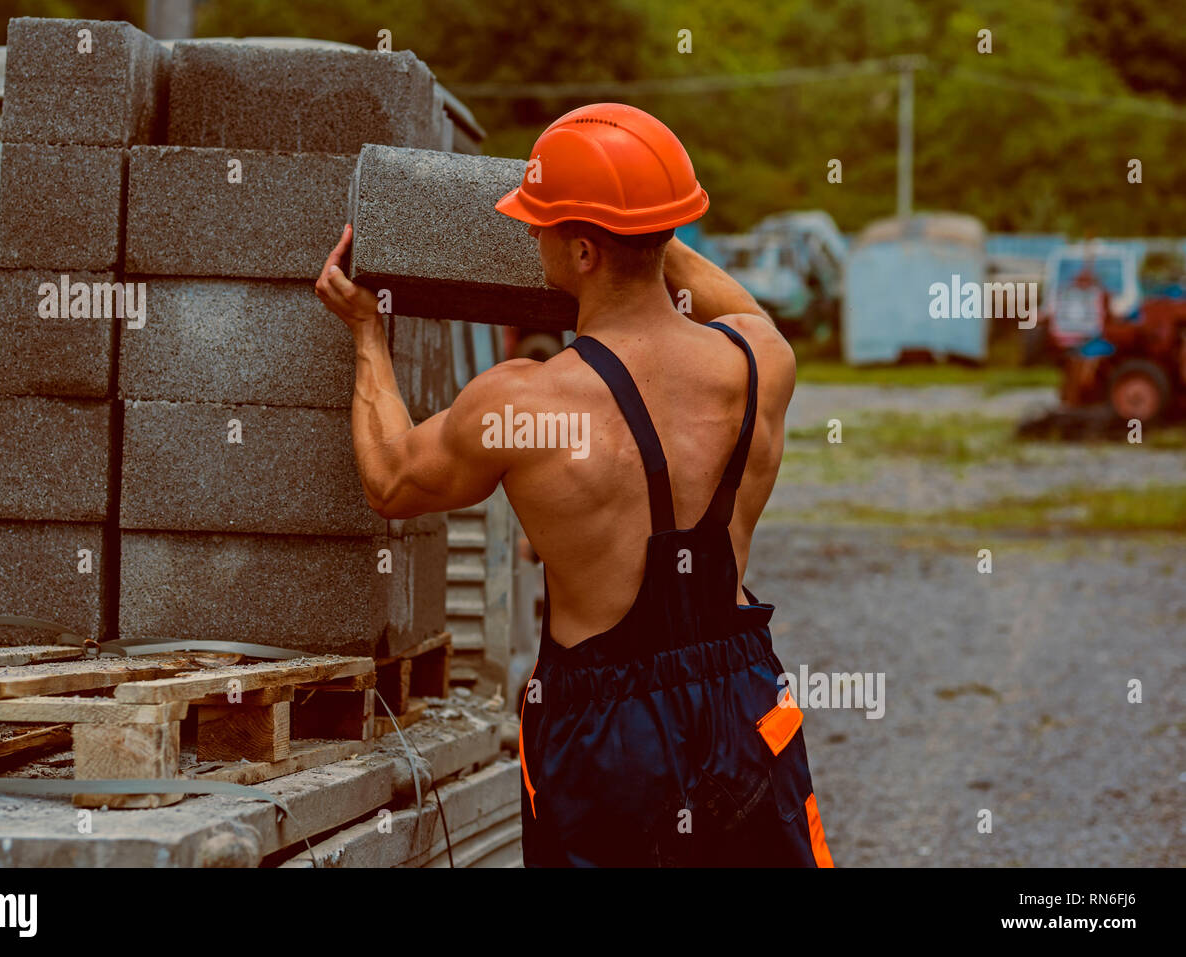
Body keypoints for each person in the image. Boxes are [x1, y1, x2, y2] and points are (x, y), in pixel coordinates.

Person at [315, 102, 833, 868]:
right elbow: (739, 307)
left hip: (608, 736)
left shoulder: (524, 403)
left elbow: (390, 479)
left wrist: (366, 333)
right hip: (744, 708)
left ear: (584, 251)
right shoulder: (758, 363)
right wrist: (647, 225)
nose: (528, 234)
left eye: (541, 223)